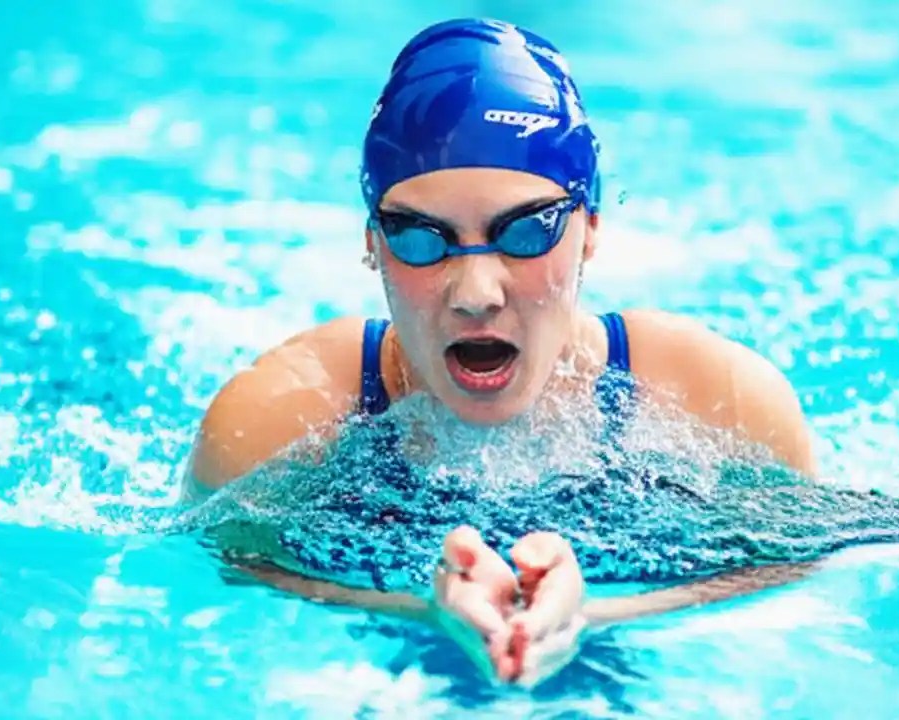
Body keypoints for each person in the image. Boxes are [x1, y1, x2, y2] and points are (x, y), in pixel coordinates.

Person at [185, 17, 818, 686]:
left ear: (591, 228)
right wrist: (423, 613)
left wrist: (601, 613)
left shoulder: (723, 400)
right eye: (421, 239)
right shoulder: (274, 420)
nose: (475, 293)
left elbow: (797, 568)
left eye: (525, 231)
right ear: (372, 243)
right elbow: (226, 569)